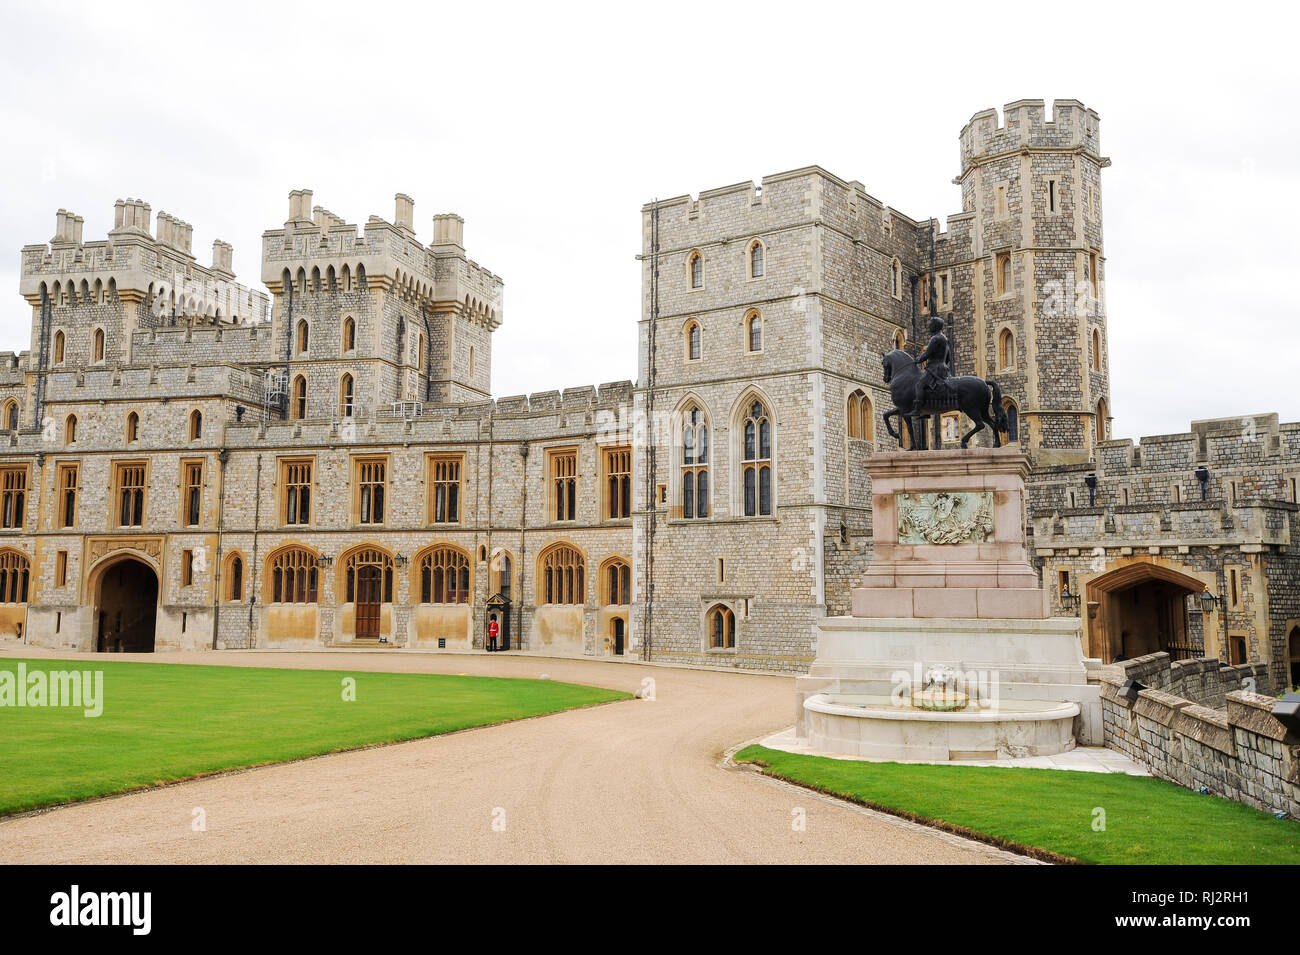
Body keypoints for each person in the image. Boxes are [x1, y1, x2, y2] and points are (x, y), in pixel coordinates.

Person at [912, 316, 953, 408]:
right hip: (943, 368)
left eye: (931, 324)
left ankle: (919, 410)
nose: (929, 326)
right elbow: (948, 357)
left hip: (935, 368)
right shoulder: (944, 338)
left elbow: (926, 354)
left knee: (919, 385)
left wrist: (917, 360)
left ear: (935, 326)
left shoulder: (935, 338)